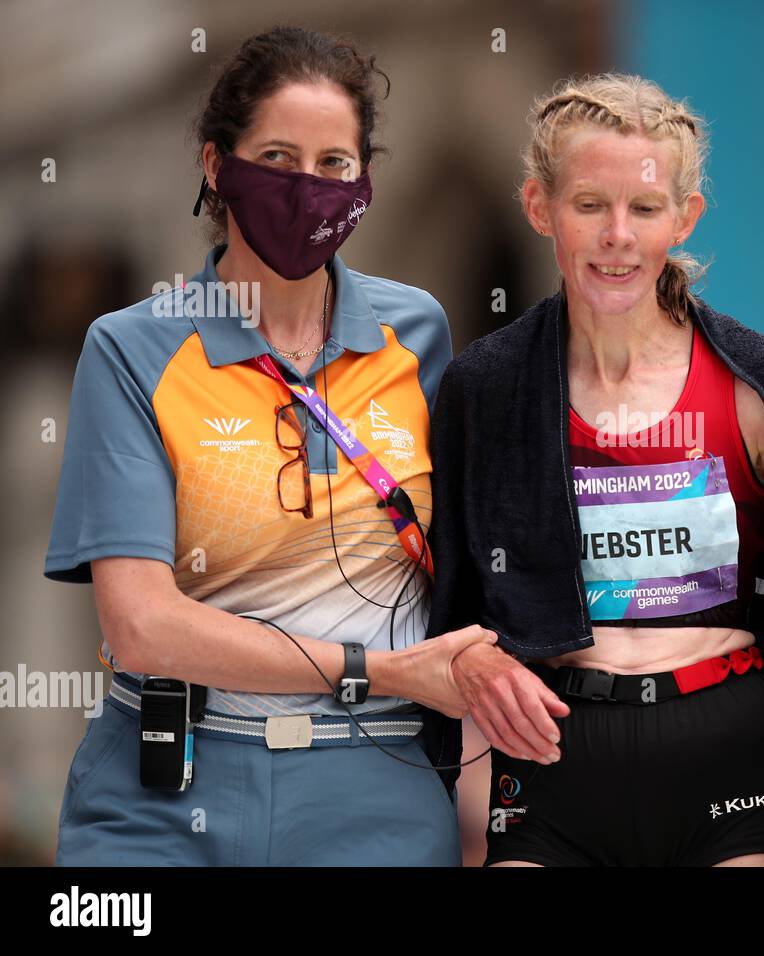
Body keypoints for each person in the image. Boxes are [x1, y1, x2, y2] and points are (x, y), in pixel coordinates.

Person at [44, 26, 489, 866]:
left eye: (334, 166)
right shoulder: (131, 347)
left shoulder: (417, 331)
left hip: (376, 786)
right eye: (278, 159)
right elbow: (140, 626)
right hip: (165, 791)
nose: (307, 189)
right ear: (217, 167)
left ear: (365, 182)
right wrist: (379, 668)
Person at [428, 73, 764, 866]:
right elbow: (447, 607)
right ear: (540, 209)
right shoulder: (485, 385)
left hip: (728, 747)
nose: (617, 235)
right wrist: (474, 661)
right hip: (552, 754)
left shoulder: (762, 382)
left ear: (683, 217)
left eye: (643, 208)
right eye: (589, 205)